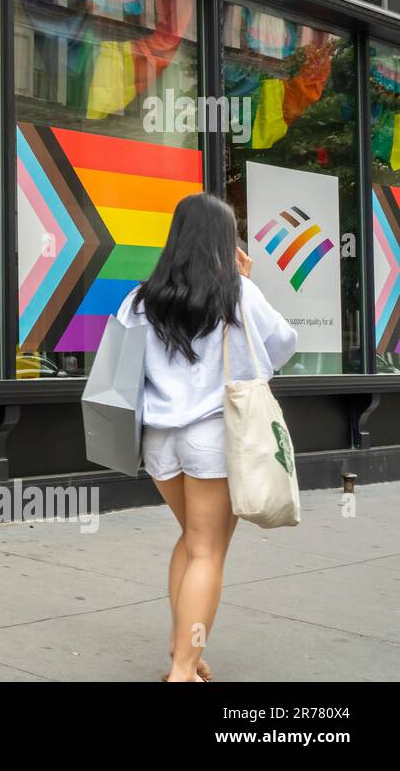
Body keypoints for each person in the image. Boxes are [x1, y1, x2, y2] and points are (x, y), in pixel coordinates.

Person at [115, 193, 297, 682]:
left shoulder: (138, 298)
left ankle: (184, 652)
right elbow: (283, 346)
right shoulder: (237, 292)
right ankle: (181, 669)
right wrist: (249, 284)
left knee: (192, 541)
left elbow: (118, 366)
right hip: (214, 439)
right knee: (208, 550)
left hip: (158, 441)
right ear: (224, 242)